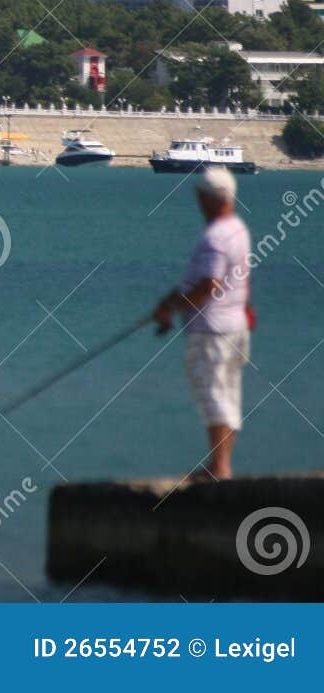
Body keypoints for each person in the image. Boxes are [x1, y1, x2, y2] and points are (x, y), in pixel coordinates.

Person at [152, 165, 252, 481]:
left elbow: (209, 284)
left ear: (210, 198)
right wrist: (170, 302)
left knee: (213, 394)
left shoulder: (215, 237)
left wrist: (171, 307)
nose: (198, 202)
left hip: (212, 329)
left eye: (200, 196)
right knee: (228, 393)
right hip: (234, 325)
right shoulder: (238, 229)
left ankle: (219, 467)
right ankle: (222, 464)